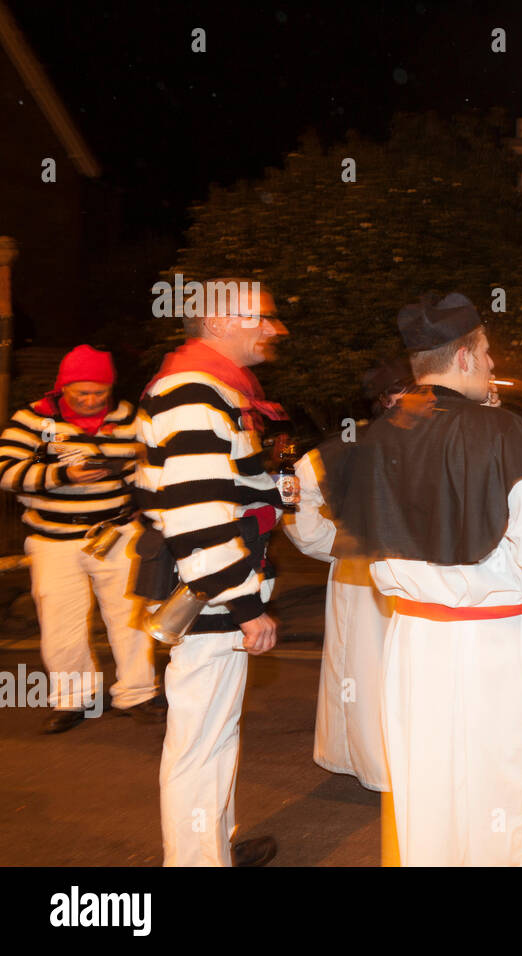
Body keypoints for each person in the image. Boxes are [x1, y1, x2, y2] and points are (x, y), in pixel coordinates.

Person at [317, 292, 522, 865]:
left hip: (413, 652)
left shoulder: (372, 442)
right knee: (512, 791)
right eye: (487, 352)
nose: (493, 364)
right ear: (464, 357)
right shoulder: (503, 435)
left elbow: (341, 539)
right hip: (495, 649)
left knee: (430, 793)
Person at [134, 280, 286, 867]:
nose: (274, 330)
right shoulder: (194, 392)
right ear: (222, 322)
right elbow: (198, 516)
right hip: (212, 595)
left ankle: (210, 845)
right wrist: (247, 608)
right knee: (201, 742)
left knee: (213, 735)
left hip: (212, 590)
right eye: (263, 319)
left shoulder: (208, 387)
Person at [0, 345, 162, 732]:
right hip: (53, 538)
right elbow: (7, 471)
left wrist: (142, 496)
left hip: (117, 532)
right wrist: (61, 476)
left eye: (99, 393)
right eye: (81, 393)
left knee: (130, 616)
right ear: (62, 389)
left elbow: (150, 466)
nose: (91, 401)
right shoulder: (35, 422)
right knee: (60, 623)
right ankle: (73, 700)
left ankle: (137, 692)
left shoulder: (127, 418)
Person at [282, 359, 412, 792]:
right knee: (365, 669)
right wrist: (327, 542)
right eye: (402, 394)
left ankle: (409, 762)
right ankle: (378, 768)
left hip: (423, 580)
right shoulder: (349, 447)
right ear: (384, 401)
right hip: (364, 580)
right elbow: (296, 491)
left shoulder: (435, 441)